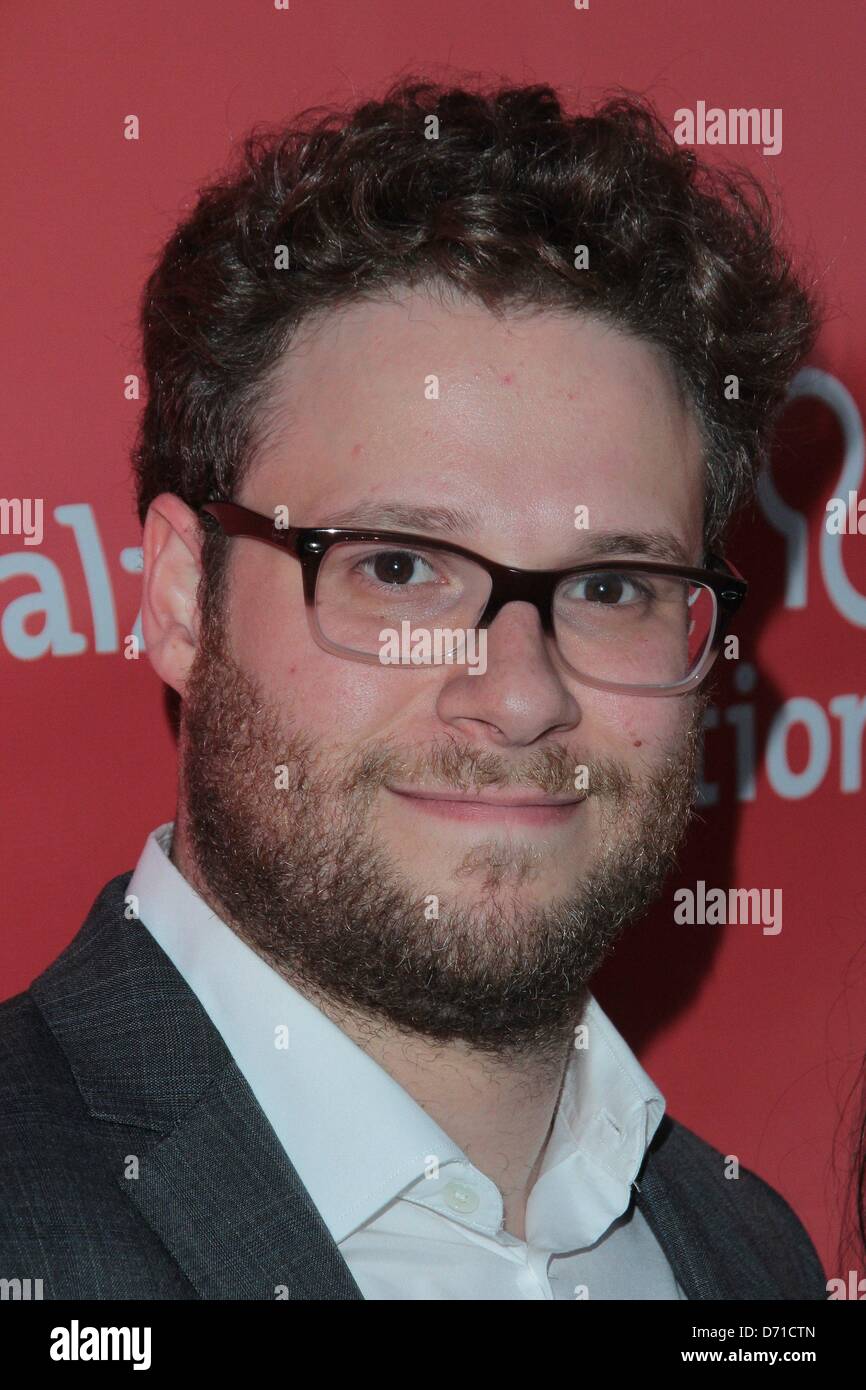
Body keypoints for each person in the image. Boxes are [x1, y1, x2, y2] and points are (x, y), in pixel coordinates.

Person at [0, 78, 827, 1300]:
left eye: (611, 586)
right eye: (398, 568)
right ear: (181, 598)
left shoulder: (751, 1258)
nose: (519, 696)